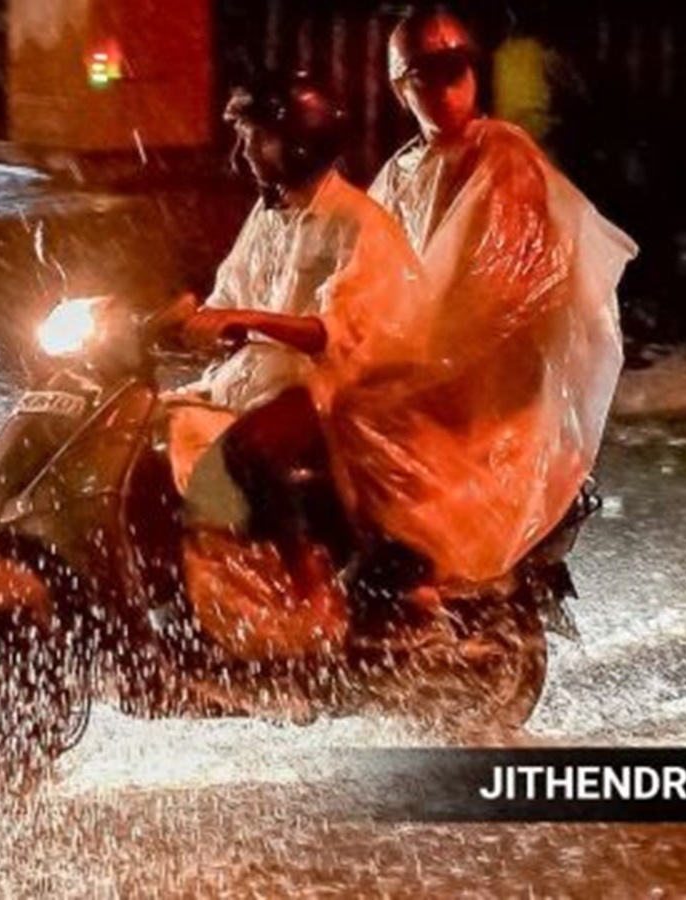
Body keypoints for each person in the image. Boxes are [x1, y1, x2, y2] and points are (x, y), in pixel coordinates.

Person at [346, 8, 637, 589]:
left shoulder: (504, 157)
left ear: (474, 75)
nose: (444, 90)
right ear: (401, 87)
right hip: (423, 367)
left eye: (455, 73)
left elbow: (497, 294)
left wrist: (405, 353)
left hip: (488, 390)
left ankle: (414, 577)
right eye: (426, 78)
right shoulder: (402, 171)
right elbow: (358, 266)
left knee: (359, 411)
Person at [164, 73, 428, 654]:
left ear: (299, 141)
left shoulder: (357, 222)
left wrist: (246, 319)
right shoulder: (269, 215)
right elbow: (229, 296)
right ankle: (205, 588)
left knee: (250, 450)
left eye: (256, 138)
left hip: (333, 387)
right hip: (254, 379)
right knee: (151, 429)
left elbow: (338, 331)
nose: (243, 152)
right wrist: (182, 318)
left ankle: (310, 589)